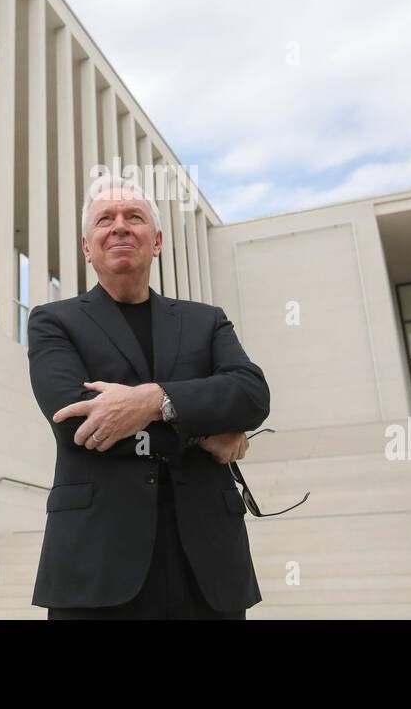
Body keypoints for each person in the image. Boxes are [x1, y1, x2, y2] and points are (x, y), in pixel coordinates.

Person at [27, 174, 270, 619]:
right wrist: (198, 432)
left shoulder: (206, 321)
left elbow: (251, 394)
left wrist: (153, 401)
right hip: (97, 565)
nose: (120, 226)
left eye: (133, 217)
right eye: (106, 219)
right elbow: (76, 425)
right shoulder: (53, 323)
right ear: (88, 247)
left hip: (209, 568)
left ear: (156, 242)